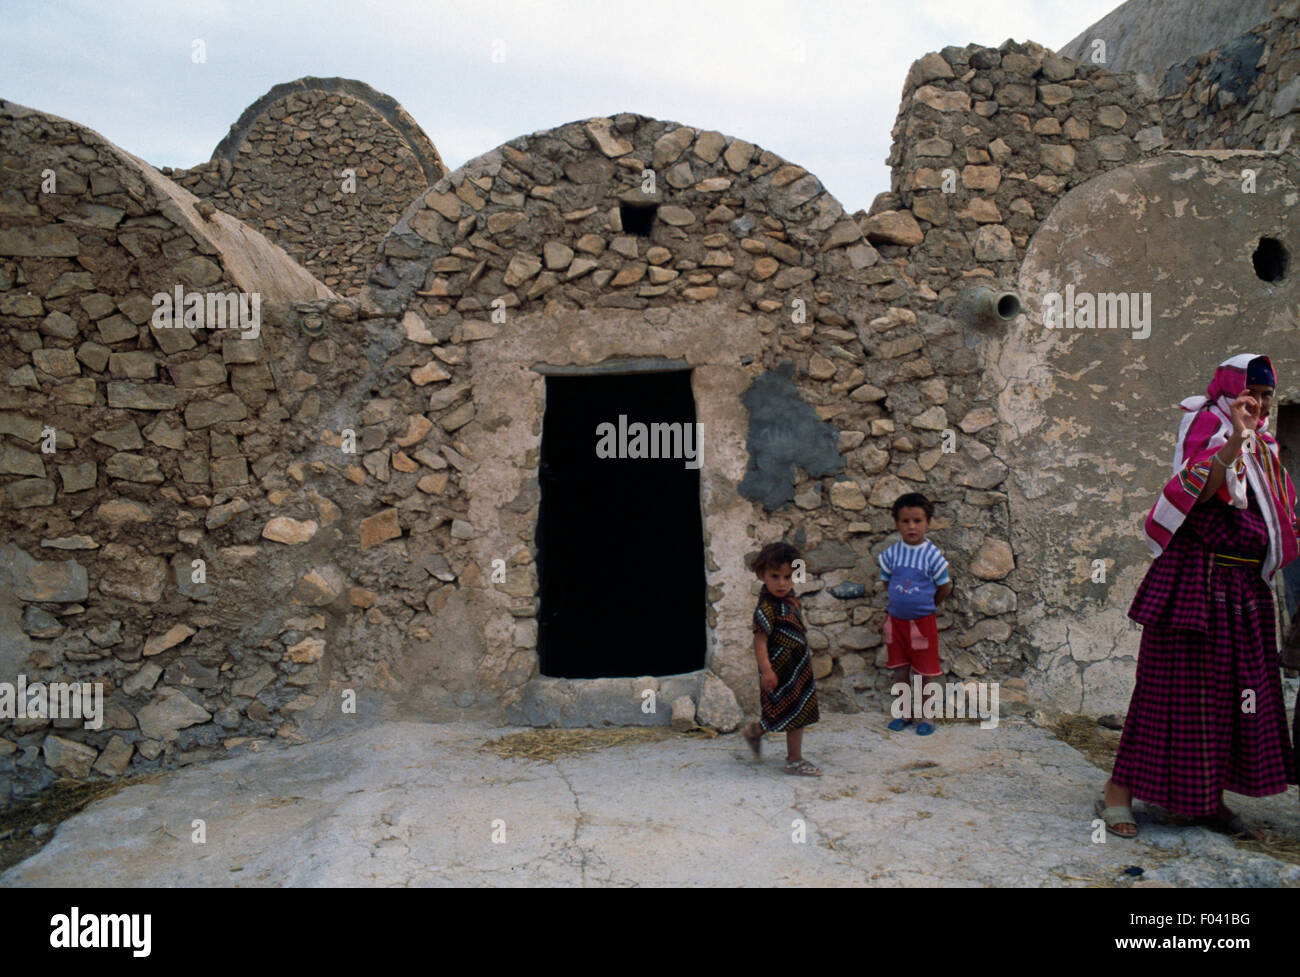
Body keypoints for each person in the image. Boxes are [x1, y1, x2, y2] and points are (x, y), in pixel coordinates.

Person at [1099, 354, 1299, 838]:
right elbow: (1203, 489)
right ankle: (1117, 792)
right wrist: (1235, 437)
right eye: (1254, 393)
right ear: (1232, 392)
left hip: (1244, 592)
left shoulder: (1266, 447)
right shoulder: (1206, 426)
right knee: (1169, 692)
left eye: (1268, 395)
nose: (1262, 403)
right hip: (1196, 585)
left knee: (1235, 696)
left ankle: (1206, 798)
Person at [741, 542, 822, 775]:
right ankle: (794, 760)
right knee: (791, 712)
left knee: (788, 711)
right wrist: (766, 670)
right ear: (762, 575)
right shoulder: (767, 607)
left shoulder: (790, 598)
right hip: (779, 668)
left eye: (788, 577)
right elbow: (760, 641)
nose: (782, 583)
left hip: (797, 664)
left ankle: (755, 732)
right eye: (775, 576)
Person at [878, 493, 952, 735]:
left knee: (924, 672)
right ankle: (904, 714)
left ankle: (926, 718)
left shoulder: (932, 555)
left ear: (927, 522)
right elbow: (887, 582)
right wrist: (902, 601)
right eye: (905, 521)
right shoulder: (891, 554)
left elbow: (945, 586)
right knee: (900, 670)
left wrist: (927, 604)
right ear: (896, 523)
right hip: (895, 622)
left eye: (917, 521)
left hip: (922, 623)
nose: (911, 526)